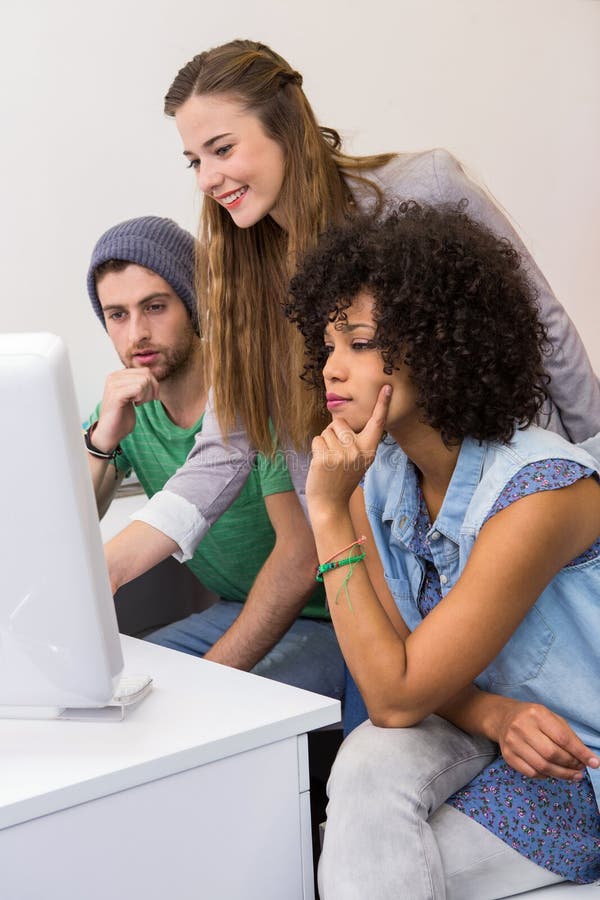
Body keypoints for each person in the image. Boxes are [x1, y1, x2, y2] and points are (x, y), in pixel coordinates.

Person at [104, 39, 600, 630]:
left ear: (285, 127)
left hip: (494, 507)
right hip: (377, 554)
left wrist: (591, 458)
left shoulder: (418, 187)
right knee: (398, 712)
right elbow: (227, 444)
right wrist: (106, 567)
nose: (208, 178)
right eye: (194, 160)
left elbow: (541, 326)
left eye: (222, 149)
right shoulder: (235, 267)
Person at [285, 202, 600, 898]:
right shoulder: (383, 476)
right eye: (329, 343)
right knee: (365, 762)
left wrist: (327, 511)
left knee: (369, 863)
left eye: (358, 341)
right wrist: (491, 713)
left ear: (437, 343)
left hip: (574, 760)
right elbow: (390, 673)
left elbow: (396, 695)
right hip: (485, 723)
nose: (332, 368)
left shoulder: (538, 493)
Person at [84, 215, 343, 698]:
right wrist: (102, 439)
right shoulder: (125, 406)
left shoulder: (254, 395)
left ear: (195, 303)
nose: (136, 333)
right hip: (232, 607)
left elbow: (300, 555)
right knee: (113, 684)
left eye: (155, 307)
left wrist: (212, 678)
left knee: (181, 706)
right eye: (117, 315)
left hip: (325, 617)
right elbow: (70, 531)